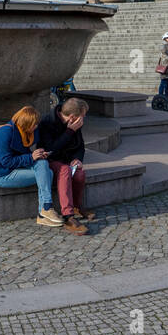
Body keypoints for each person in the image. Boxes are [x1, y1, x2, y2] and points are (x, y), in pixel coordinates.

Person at [0, 106, 64, 227]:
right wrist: (31, 157)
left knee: (44, 166)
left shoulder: (23, 132)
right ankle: (45, 210)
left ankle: (45, 210)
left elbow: (21, 154)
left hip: (13, 168)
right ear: (26, 123)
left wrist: (38, 155)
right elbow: (6, 161)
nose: (36, 127)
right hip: (1, 174)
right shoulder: (4, 133)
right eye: (34, 124)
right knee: (48, 173)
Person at [38, 97, 94, 234]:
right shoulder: (47, 122)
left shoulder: (75, 123)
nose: (83, 119)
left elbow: (80, 146)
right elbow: (50, 150)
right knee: (64, 171)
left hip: (67, 160)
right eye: (82, 116)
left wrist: (78, 159)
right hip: (49, 160)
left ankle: (77, 207)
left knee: (80, 173)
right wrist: (69, 131)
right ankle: (68, 215)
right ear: (72, 117)